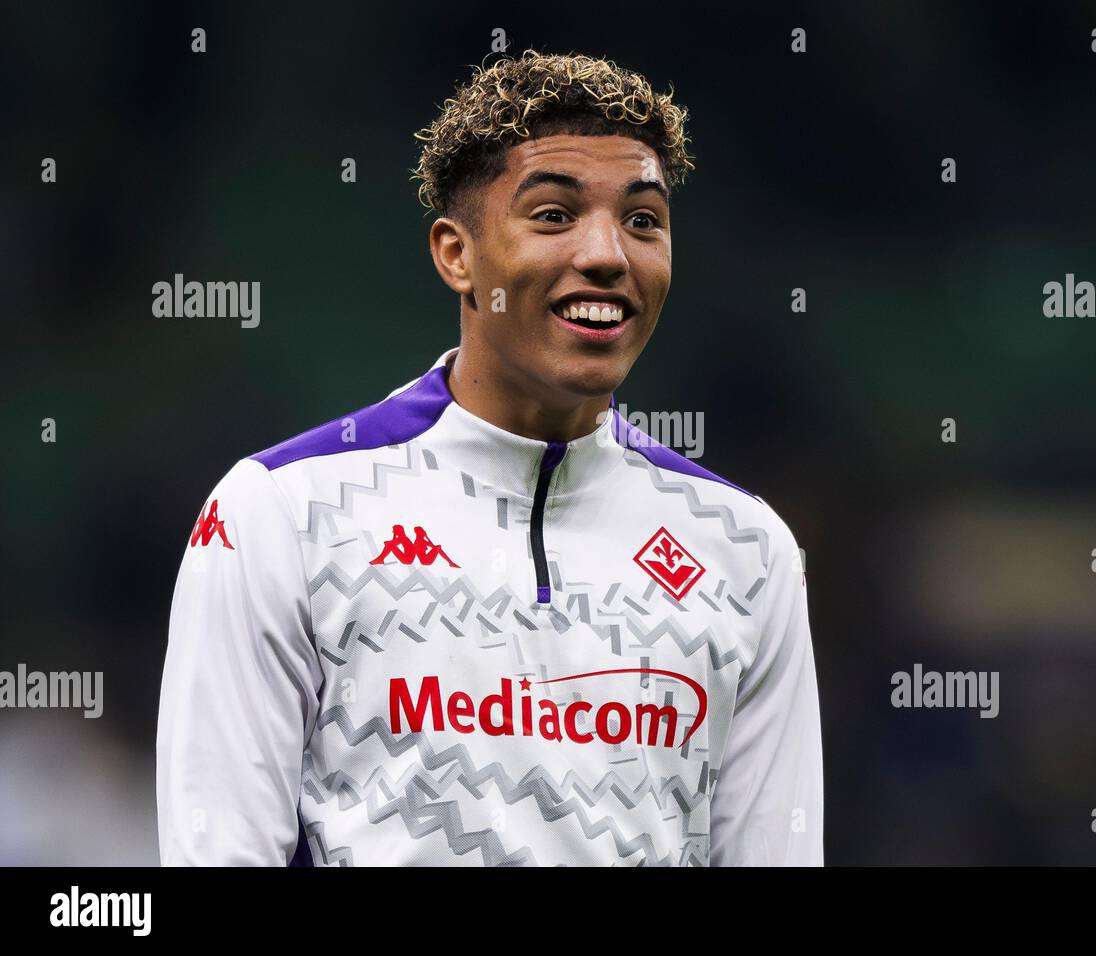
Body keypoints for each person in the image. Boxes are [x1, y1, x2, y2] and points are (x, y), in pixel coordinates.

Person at [156, 49, 823, 866]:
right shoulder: (281, 511)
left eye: (644, 220)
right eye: (552, 215)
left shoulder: (746, 548)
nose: (609, 253)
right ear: (456, 255)